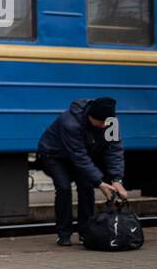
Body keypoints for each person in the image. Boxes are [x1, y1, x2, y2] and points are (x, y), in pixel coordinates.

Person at [36, 97, 126, 245]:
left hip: (80, 155)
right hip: (54, 155)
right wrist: (100, 182)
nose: (104, 125)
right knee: (64, 188)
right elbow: (79, 156)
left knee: (86, 188)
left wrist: (117, 180)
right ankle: (63, 234)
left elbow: (114, 149)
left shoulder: (110, 122)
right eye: (100, 122)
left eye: (107, 122)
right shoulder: (70, 123)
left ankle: (86, 232)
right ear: (90, 116)